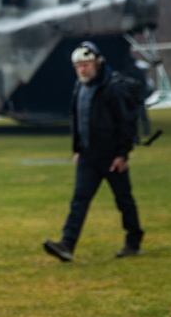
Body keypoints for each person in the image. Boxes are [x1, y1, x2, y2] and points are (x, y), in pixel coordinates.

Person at [43, 41, 144, 262]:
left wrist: (122, 155)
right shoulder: (80, 87)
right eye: (78, 66)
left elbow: (126, 122)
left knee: (123, 199)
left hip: (111, 157)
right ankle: (67, 244)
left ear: (97, 63)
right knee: (79, 199)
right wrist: (78, 148)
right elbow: (78, 120)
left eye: (86, 65)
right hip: (88, 156)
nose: (82, 69)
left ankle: (133, 241)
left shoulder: (112, 87)